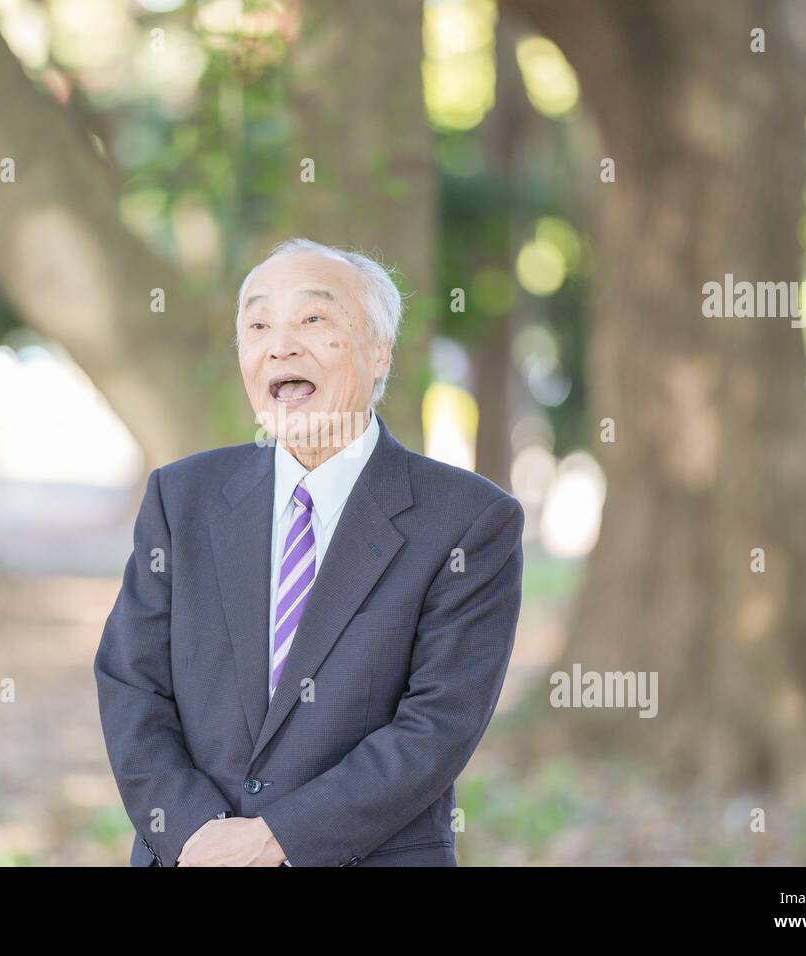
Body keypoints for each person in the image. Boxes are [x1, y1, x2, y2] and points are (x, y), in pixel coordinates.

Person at [94, 238, 524, 866]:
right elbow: (132, 682)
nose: (280, 344)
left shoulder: (468, 520)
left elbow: (436, 727)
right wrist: (196, 833)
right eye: (258, 324)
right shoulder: (181, 497)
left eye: (313, 320)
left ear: (379, 353)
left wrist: (273, 839)